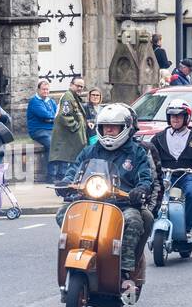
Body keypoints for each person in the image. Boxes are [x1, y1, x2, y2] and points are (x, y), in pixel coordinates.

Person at [58, 103, 155, 297]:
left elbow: (145, 177)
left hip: (122, 204)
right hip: (88, 201)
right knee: (64, 214)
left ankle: (125, 269)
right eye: (105, 126)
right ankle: (75, 255)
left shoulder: (136, 153)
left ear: (125, 128)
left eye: (114, 126)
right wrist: (66, 183)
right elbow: (74, 170)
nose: (109, 130)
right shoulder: (91, 150)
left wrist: (141, 189)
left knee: (135, 220)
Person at [145, 100, 192, 241]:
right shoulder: (158, 138)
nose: (175, 119)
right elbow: (149, 155)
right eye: (172, 116)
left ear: (186, 118)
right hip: (164, 176)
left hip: (187, 175)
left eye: (179, 116)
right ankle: (150, 225)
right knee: (149, 194)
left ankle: (187, 228)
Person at [49, 77, 89, 182]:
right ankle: (63, 184)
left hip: (71, 137)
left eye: (82, 86)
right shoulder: (68, 97)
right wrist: (75, 127)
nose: (80, 88)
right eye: (78, 86)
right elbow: (64, 115)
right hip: (67, 137)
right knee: (65, 162)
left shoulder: (74, 97)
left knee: (69, 161)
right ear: (71, 85)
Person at [26, 79, 57, 182]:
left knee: (63, 142)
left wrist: (50, 118)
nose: (46, 91)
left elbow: (57, 114)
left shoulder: (51, 101)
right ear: (38, 90)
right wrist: (50, 117)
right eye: (43, 89)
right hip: (38, 130)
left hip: (51, 129)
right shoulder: (34, 101)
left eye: (47, 89)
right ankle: (50, 176)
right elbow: (44, 115)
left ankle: (61, 173)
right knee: (51, 144)